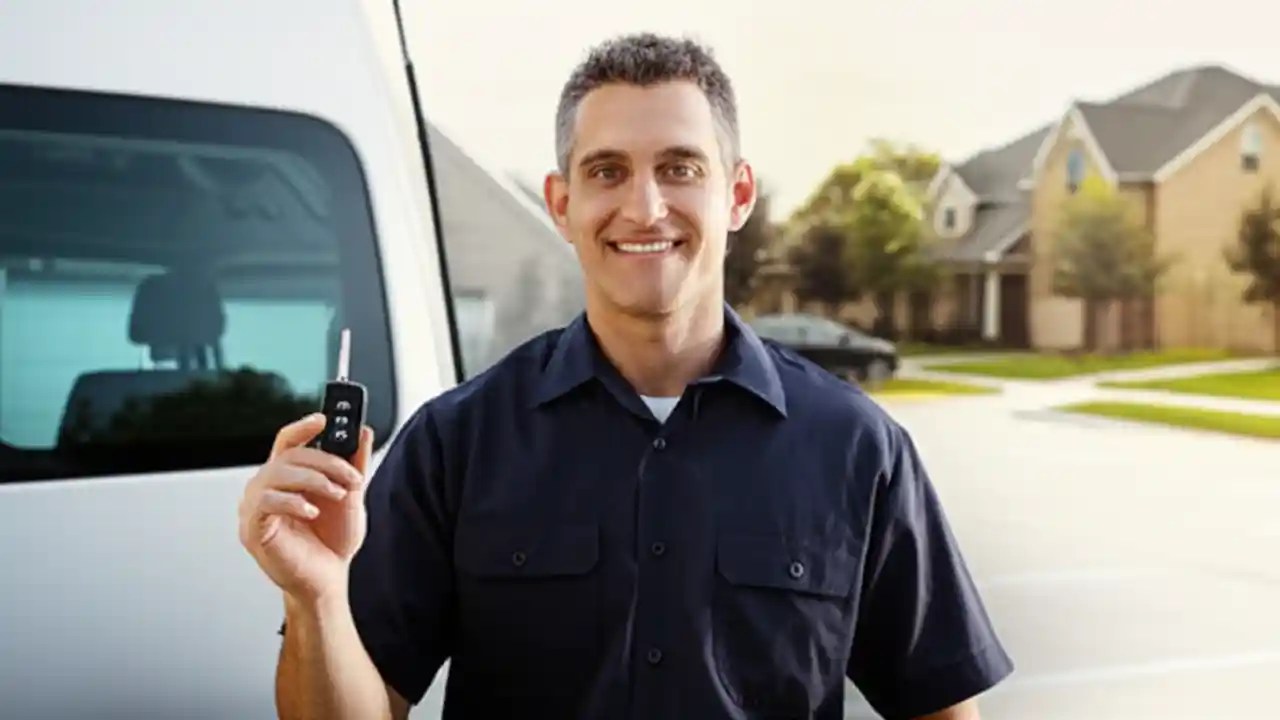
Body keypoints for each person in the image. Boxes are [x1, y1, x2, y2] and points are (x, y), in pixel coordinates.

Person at [238, 32, 1014, 720]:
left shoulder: (858, 448)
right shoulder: (456, 441)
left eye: (679, 168)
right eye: (607, 172)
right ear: (562, 202)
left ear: (736, 194)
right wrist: (317, 598)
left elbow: (939, 708)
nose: (645, 208)